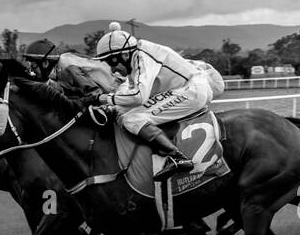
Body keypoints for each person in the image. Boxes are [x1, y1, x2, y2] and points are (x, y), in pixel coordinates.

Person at [84, 23, 212, 181]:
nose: (112, 69)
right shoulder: (135, 57)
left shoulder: (143, 57)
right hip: (183, 89)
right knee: (126, 114)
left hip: (191, 91)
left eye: (110, 62)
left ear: (123, 55)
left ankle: (177, 157)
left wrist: (104, 98)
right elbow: (128, 92)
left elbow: (139, 96)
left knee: (132, 119)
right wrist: (111, 104)